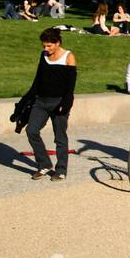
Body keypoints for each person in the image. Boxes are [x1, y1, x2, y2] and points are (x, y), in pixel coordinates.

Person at [24, 28, 77, 181]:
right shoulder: (43, 56)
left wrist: (66, 103)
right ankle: (44, 164)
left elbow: (70, 84)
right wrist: (28, 98)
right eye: (44, 46)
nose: (45, 49)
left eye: (49, 46)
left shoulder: (69, 57)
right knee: (31, 130)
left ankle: (61, 170)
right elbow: (38, 79)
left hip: (59, 102)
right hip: (41, 101)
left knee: (60, 136)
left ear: (57, 43)